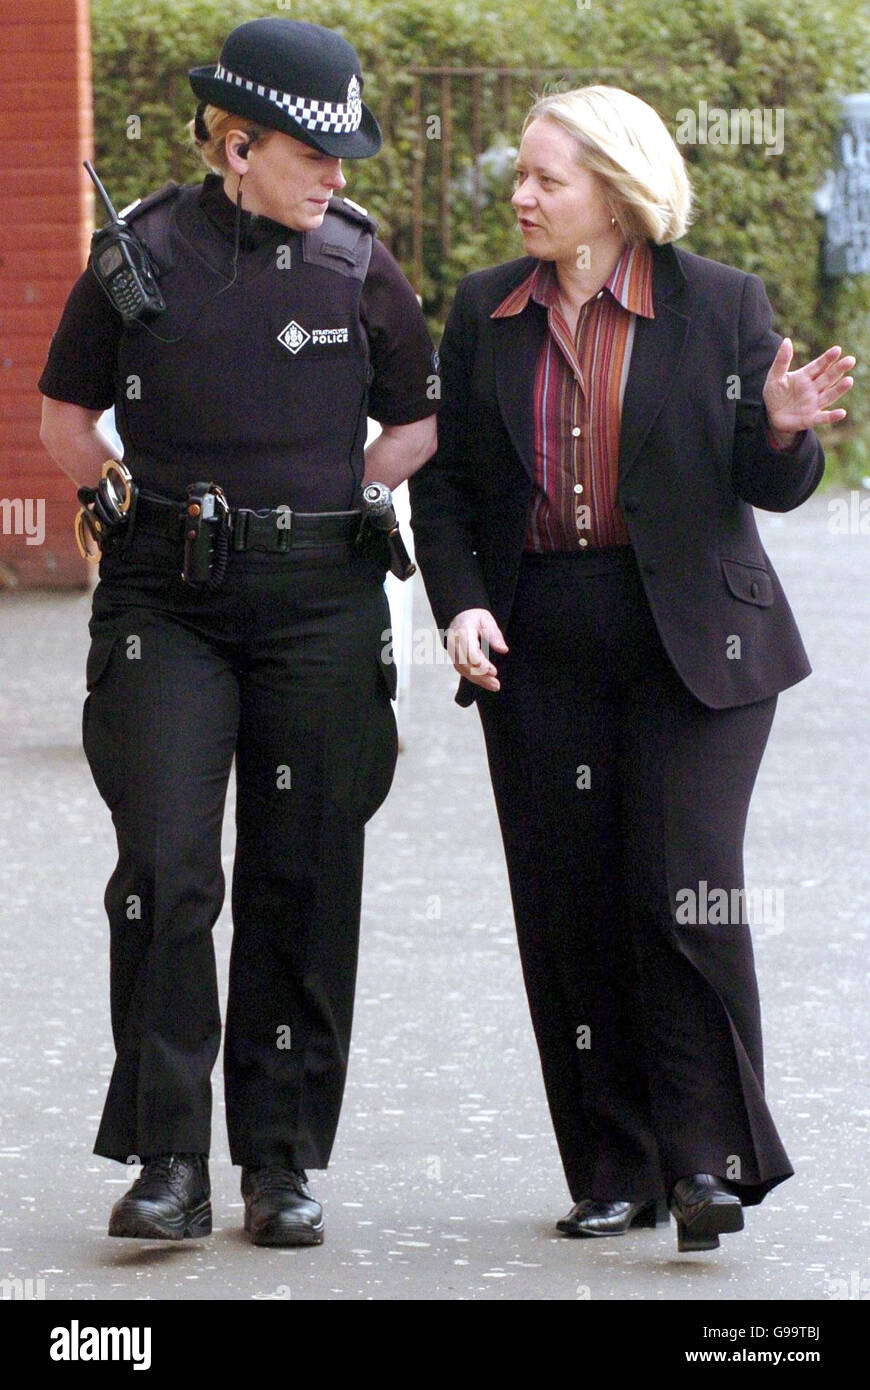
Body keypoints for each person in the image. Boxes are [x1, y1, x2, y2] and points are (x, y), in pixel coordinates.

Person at [409, 86, 853, 1252]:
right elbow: (446, 487)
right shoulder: (483, 311)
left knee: (681, 886)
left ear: (616, 187)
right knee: (571, 910)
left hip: (698, 641)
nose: (521, 195)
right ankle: (616, 1167)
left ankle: (708, 1161)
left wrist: (781, 427)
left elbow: (772, 487)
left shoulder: (719, 305)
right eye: (520, 175)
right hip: (539, 637)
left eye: (547, 179)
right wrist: (458, 605)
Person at [38, 17, 438, 1248]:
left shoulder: (362, 265)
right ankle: (169, 1159)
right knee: (164, 873)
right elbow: (64, 415)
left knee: (302, 878)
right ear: (238, 141)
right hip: (168, 602)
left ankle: (279, 1161)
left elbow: (414, 424)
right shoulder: (138, 251)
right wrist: (139, 506)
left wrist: (326, 499)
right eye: (316, 151)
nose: (335, 174)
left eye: (346, 156)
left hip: (320, 603)